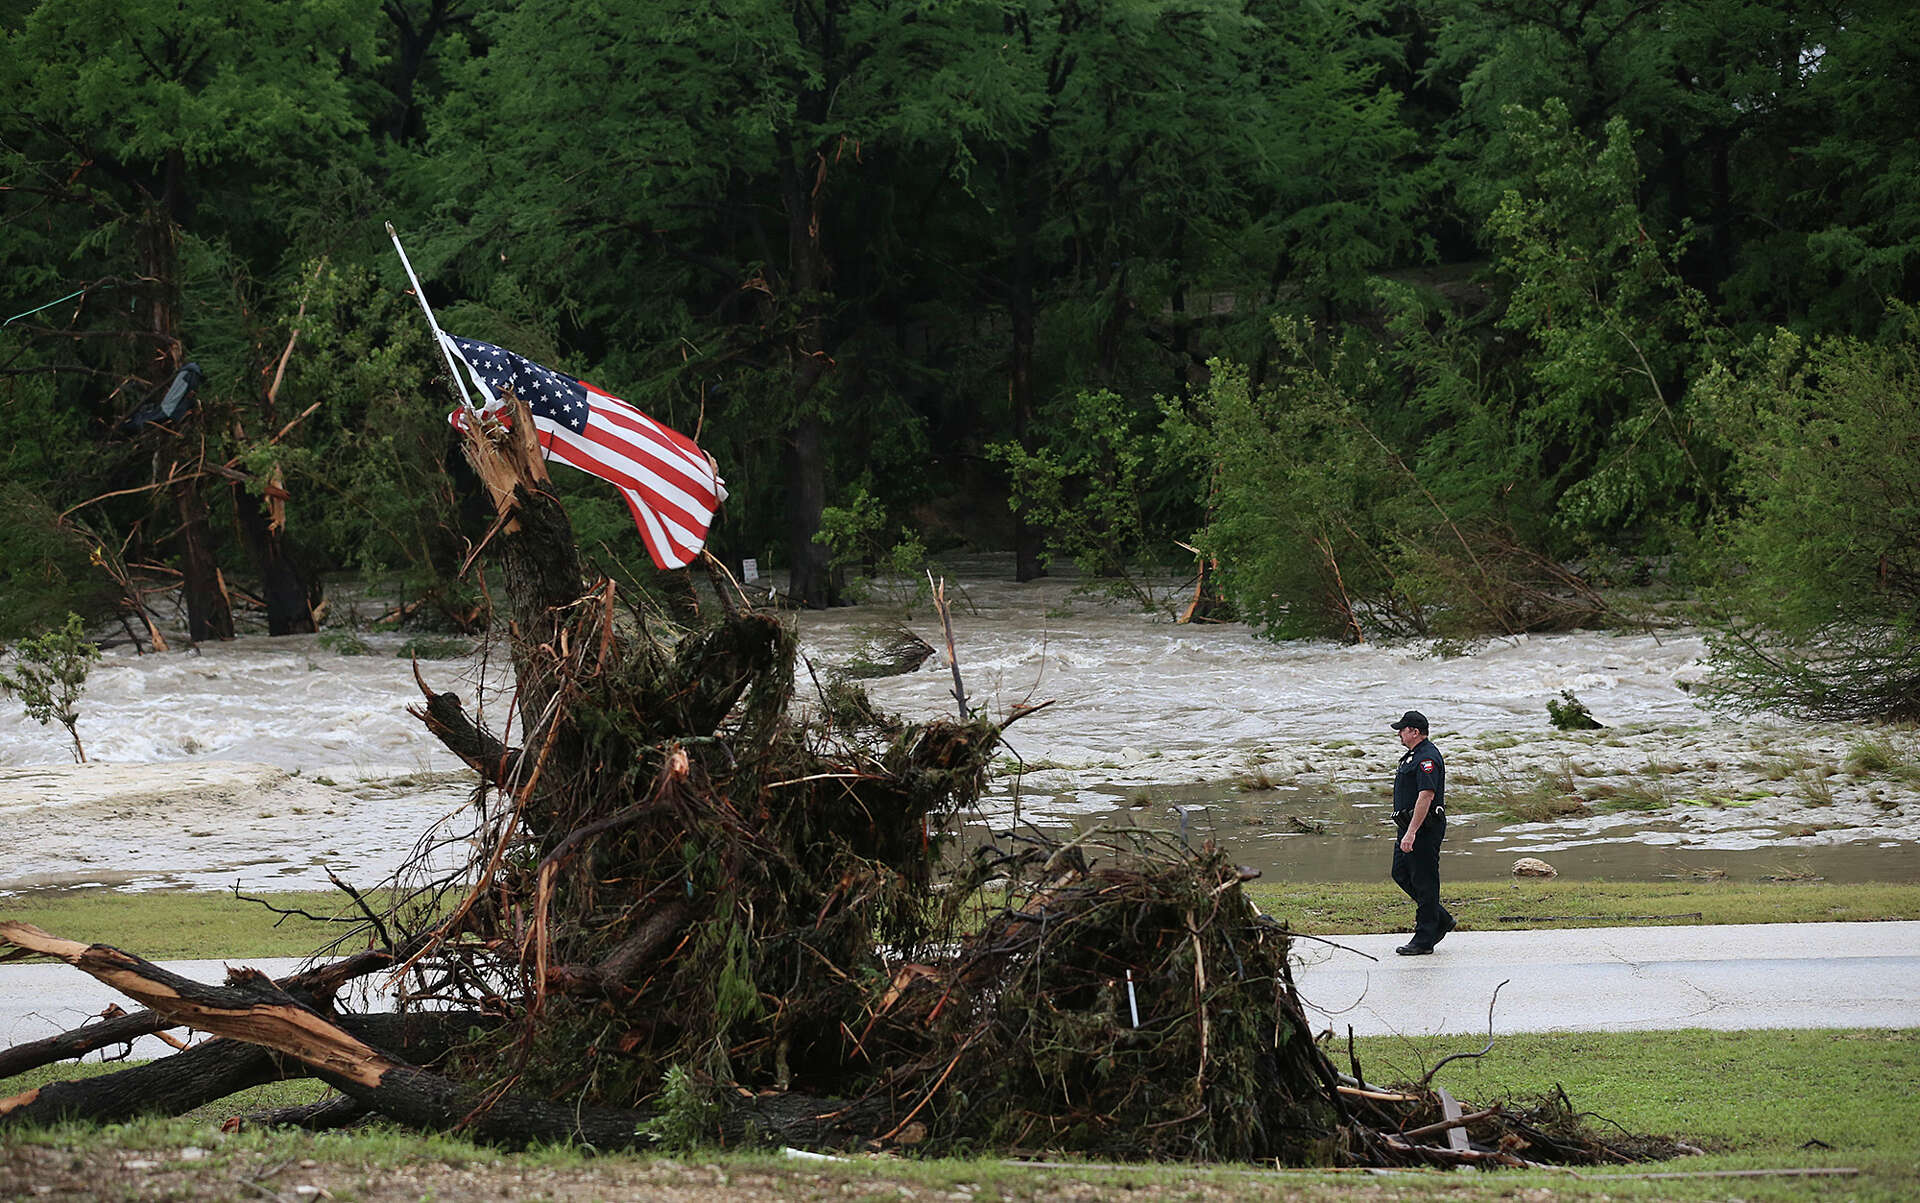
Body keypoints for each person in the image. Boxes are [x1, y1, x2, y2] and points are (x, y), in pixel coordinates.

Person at [1388, 710, 1455, 955]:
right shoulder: (1412, 756)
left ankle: (1425, 938)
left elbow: (1426, 795)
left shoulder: (1428, 758)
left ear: (1415, 731)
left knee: (1424, 881)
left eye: (1402, 729)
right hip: (1408, 826)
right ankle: (1441, 918)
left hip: (1423, 828)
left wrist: (1412, 832)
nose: (1399, 734)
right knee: (1400, 873)